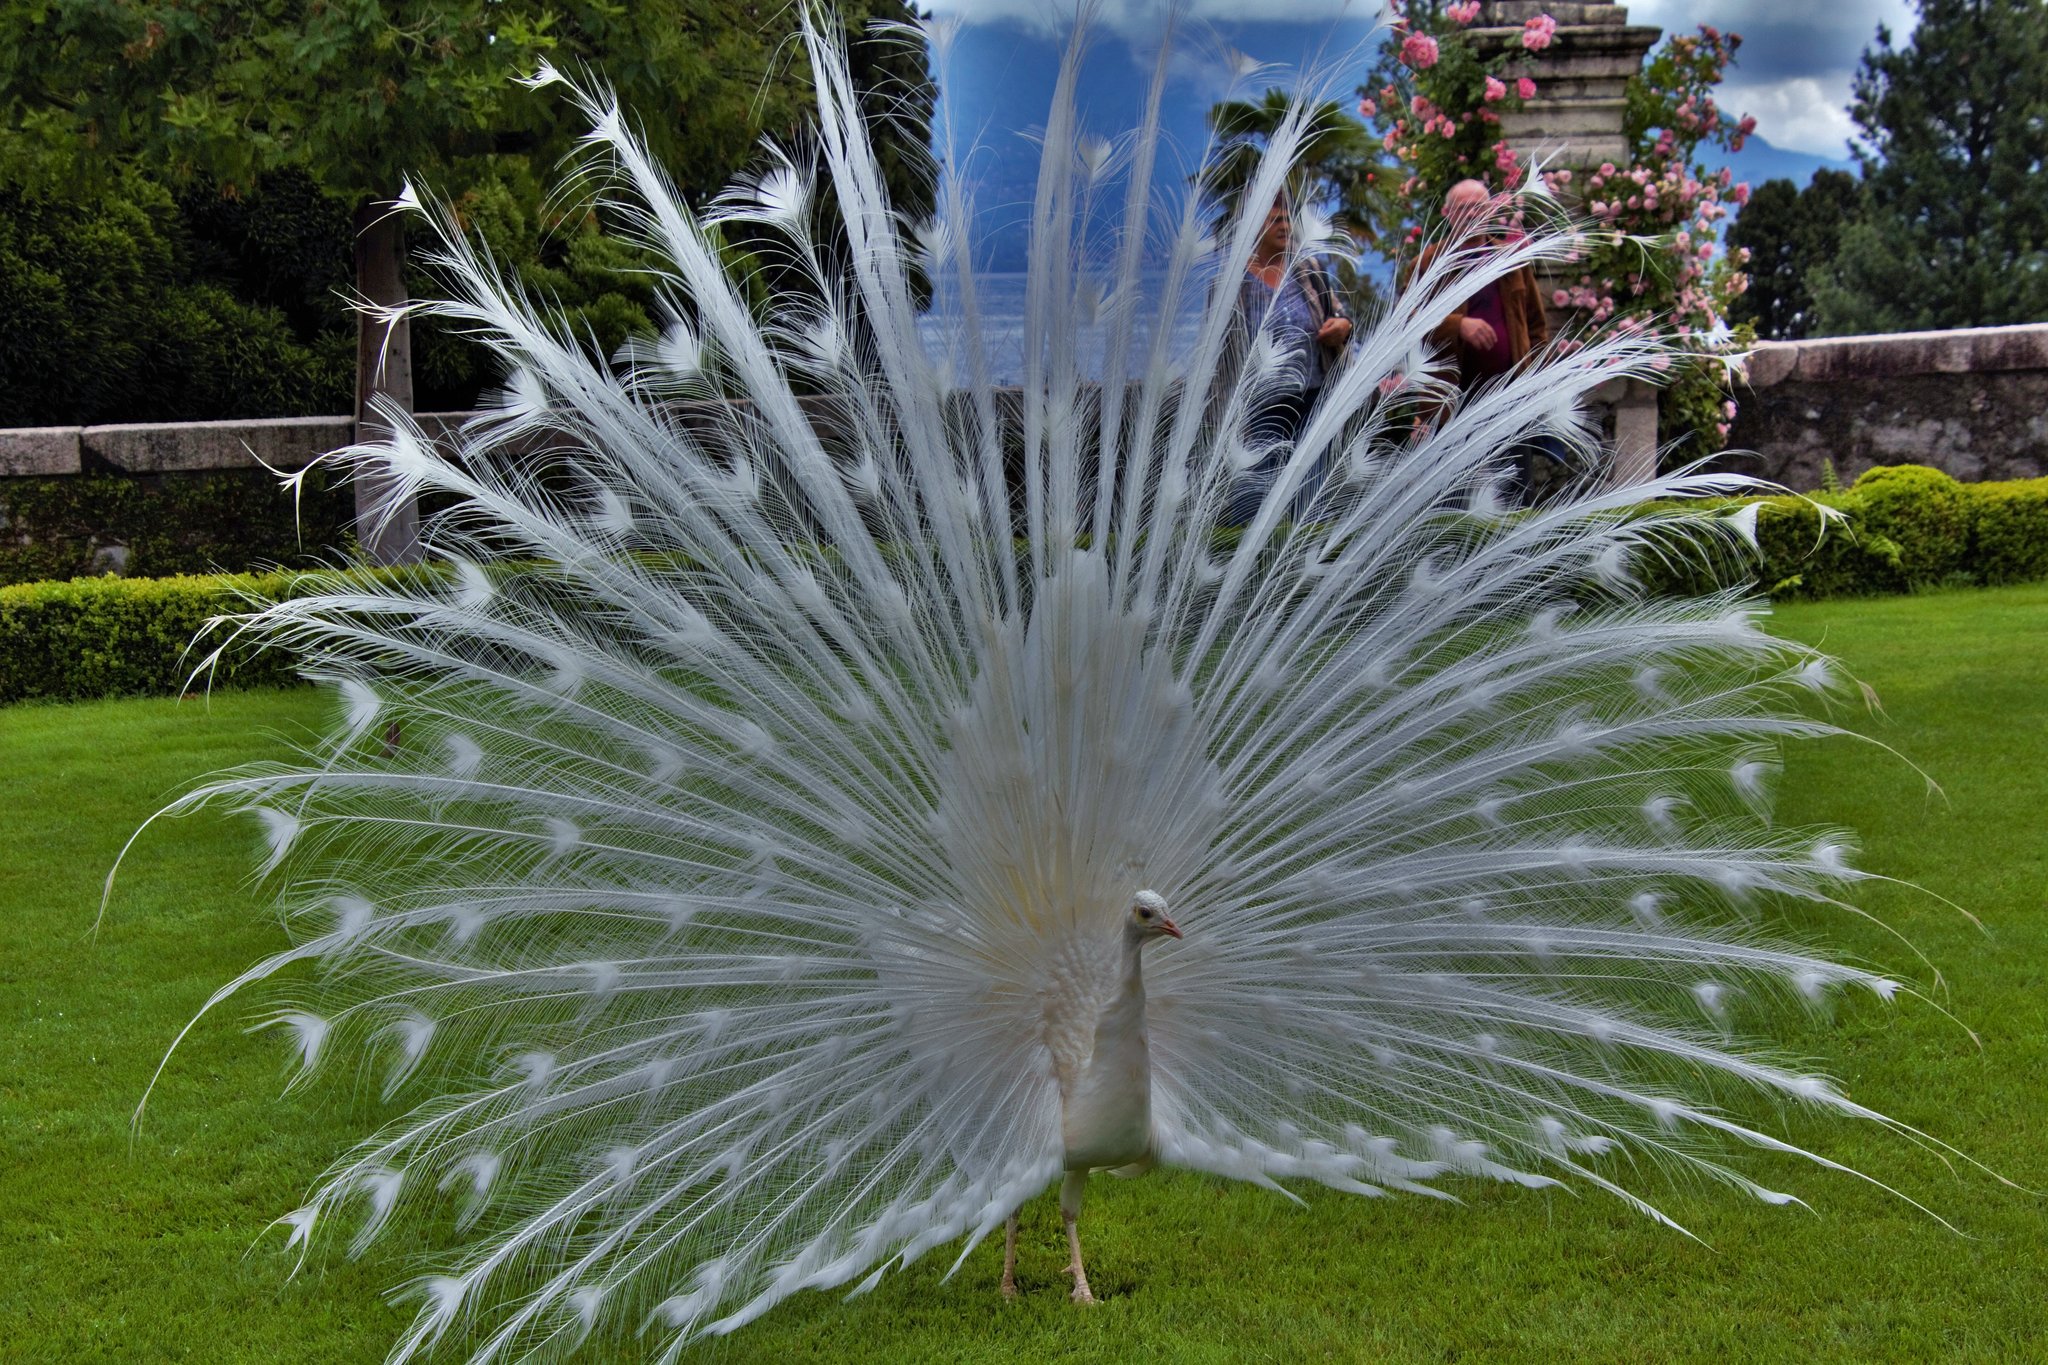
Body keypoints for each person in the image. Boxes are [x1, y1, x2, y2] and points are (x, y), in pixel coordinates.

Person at [1411, 179, 1567, 503]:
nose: (1471, 215)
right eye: (1463, 208)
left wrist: (1535, 376)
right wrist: (1457, 325)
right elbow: (1407, 324)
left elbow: (1536, 326)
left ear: (1491, 211)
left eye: (1478, 207)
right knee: (1454, 496)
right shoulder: (1428, 264)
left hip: (1507, 396)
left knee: (1513, 489)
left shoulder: (1511, 262)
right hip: (1453, 399)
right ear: (1448, 214)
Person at [1225, 192, 1354, 524]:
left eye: (1286, 219)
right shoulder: (1234, 281)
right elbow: (1221, 353)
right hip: (1260, 404)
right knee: (1252, 496)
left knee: (1311, 495)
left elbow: (1339, 313)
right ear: (1253, 226)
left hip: (1311, 395)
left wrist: (1340, 327)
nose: (1284, 226)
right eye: (1274, 220)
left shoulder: (1305, 268)